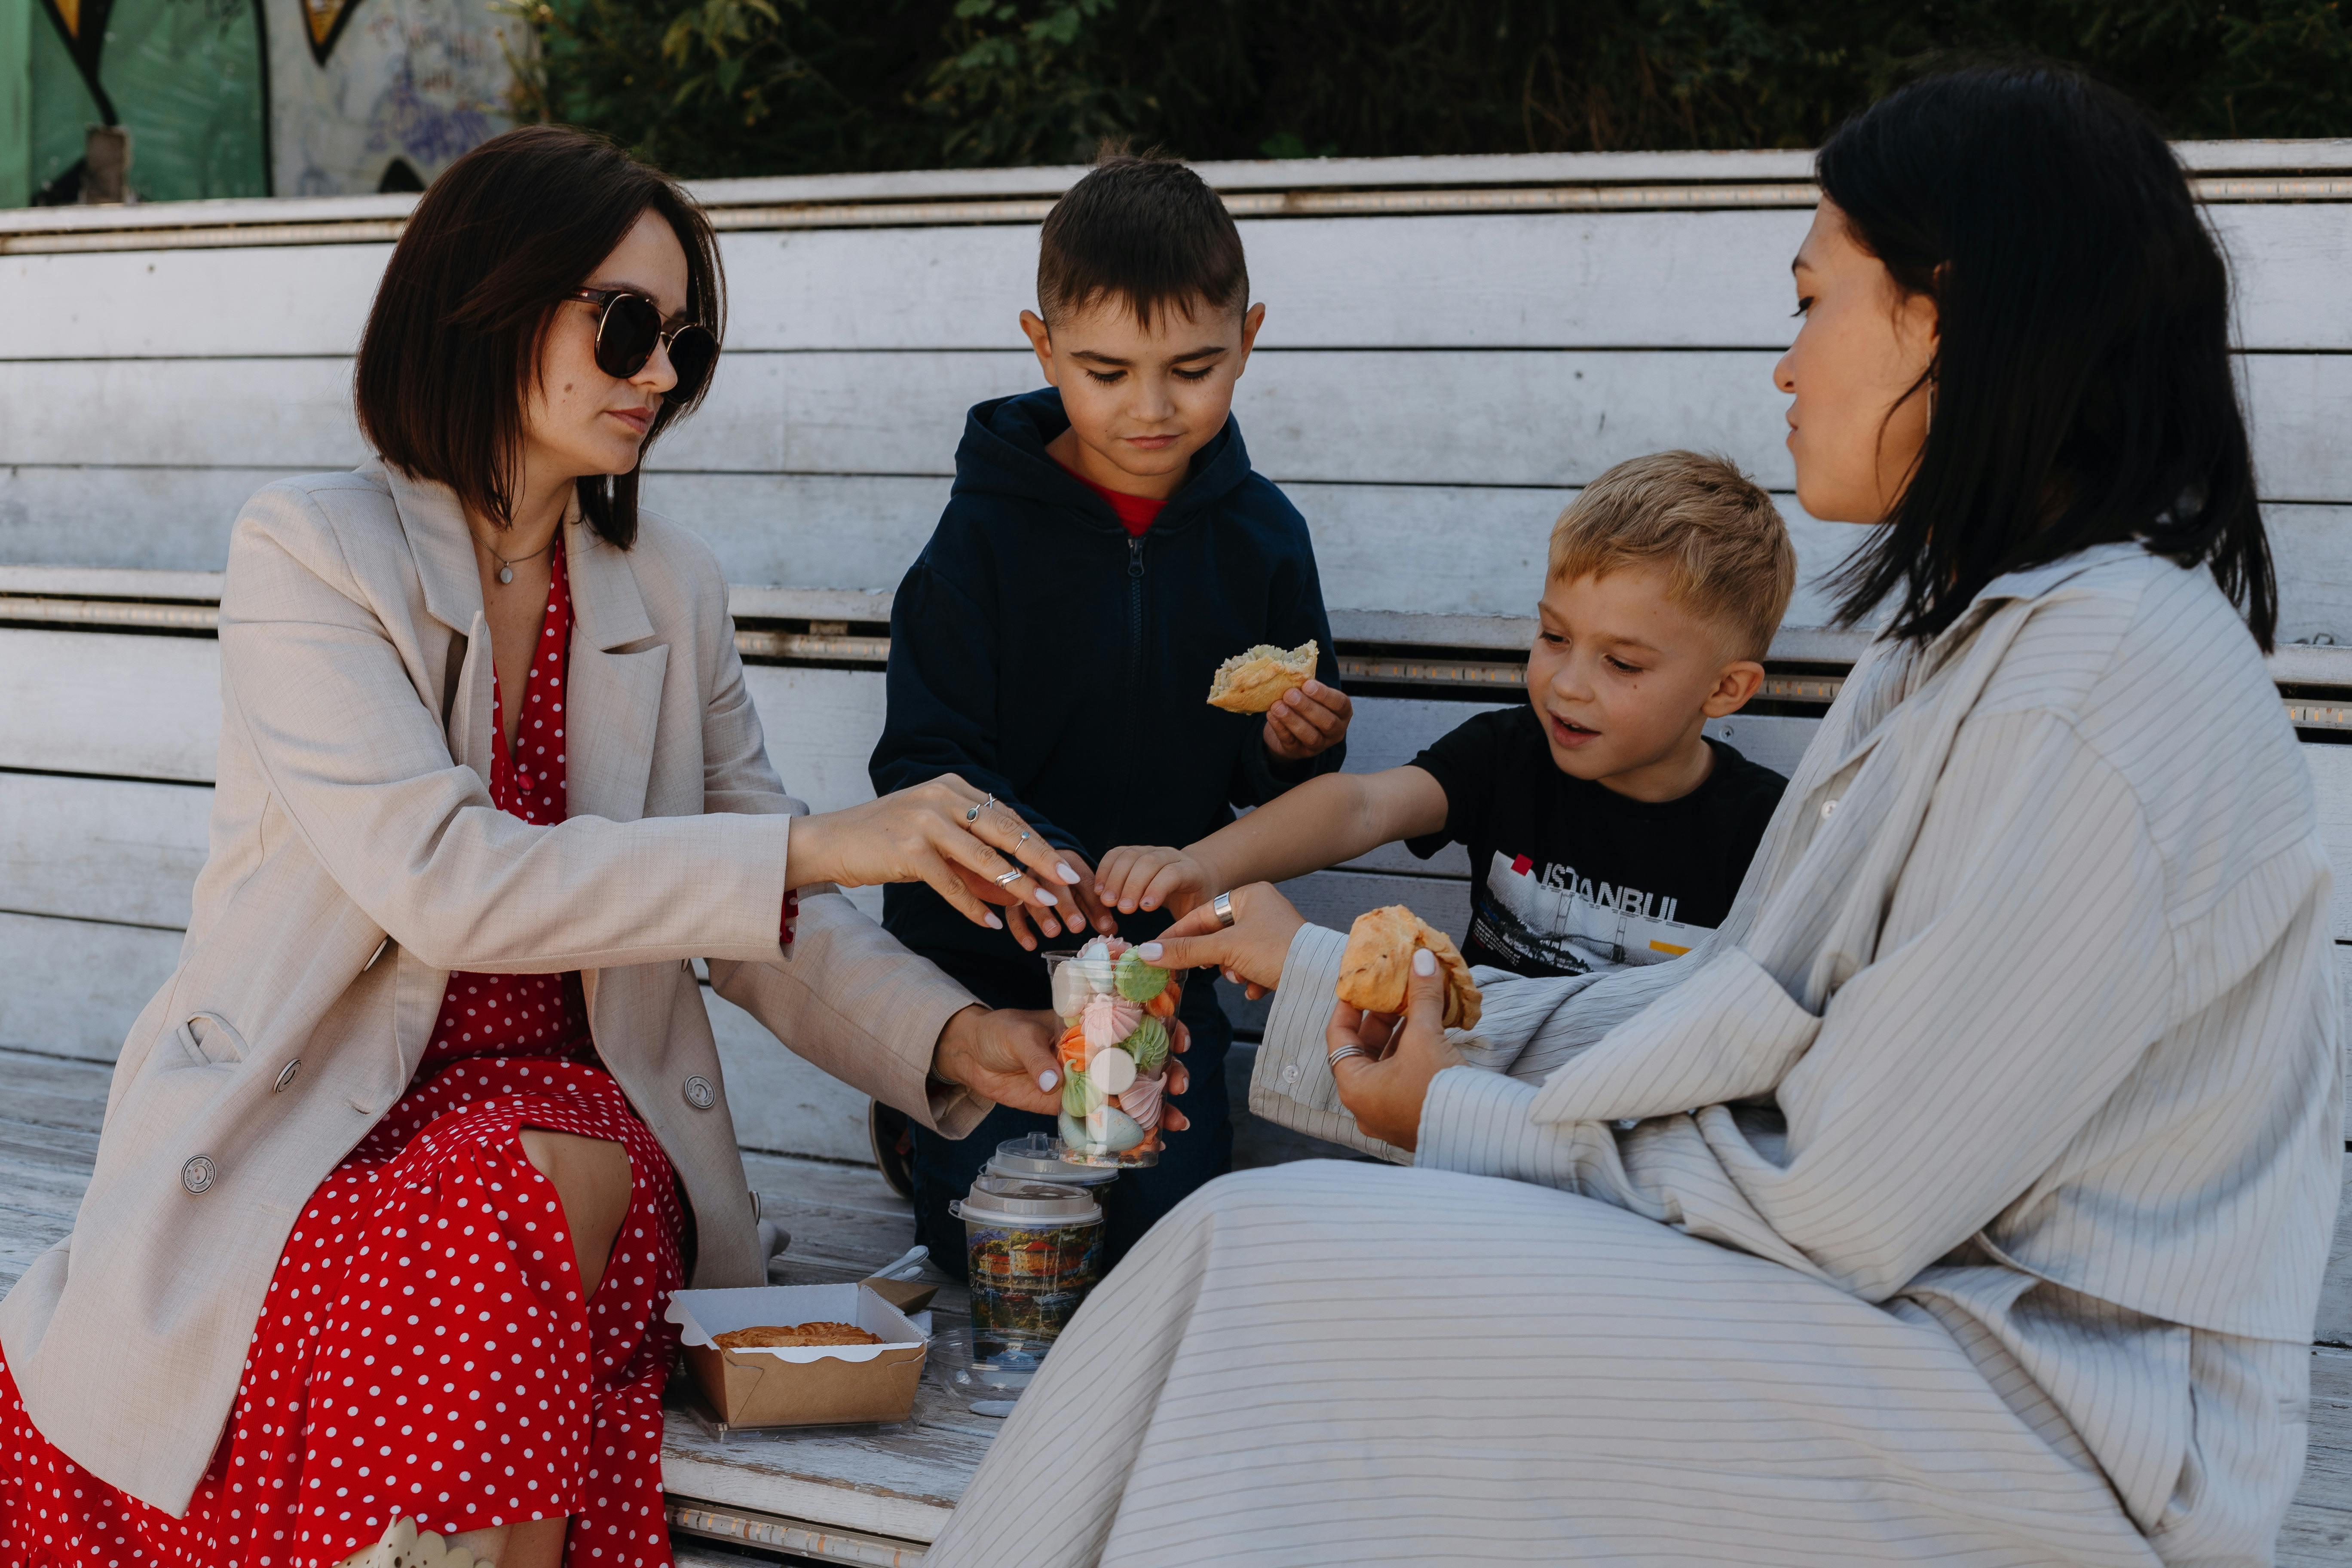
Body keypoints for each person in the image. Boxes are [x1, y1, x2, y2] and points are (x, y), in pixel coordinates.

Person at [921, 64, 2341, 1568]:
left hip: (2051, 1420)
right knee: (1246, 1267)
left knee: (1264, 1260)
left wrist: (1444, 1107)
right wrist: (1346, 993)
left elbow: (1837, 1192)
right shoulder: (1967, 650)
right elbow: (1752, 1025)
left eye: (1812, 302)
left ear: (1946, 315)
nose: (1787, 366)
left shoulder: (2098, 687)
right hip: (1903, 1325)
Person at [0, 126, 1087, 1568]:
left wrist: (952, 1038)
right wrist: (825, 842)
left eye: (682, 348)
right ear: (489, 300)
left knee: (530, 1169)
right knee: (453, 1235)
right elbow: (447, 880)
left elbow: (765, 918)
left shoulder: (669, 587)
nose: (658, 377)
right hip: (308, 1123)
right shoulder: (310, 555)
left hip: (571, 1123)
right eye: (626, 327)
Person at [869, 154, 1351, 1275]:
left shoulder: (1264, 539)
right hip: (988, 977)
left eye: (1194, 368)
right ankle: (918, 1126)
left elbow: (1268, 784)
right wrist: (1053, 873)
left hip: (1153, 981)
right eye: (1105, 371)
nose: (1150, 407)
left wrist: (1292, 747)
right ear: (1042, 349)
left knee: (1152, 1244)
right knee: (1003, 1248)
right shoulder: (976, 550)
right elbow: (923, 764)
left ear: (1251, 336)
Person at [1095, 451, 1792, 983]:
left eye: (1624, 664)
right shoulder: (1509, 752)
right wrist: (1200, 865)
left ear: (1727, 689)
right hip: (1464, 1098)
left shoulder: (1770, 833)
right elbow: (1362, 807)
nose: (1567, 685)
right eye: (1554, 637)